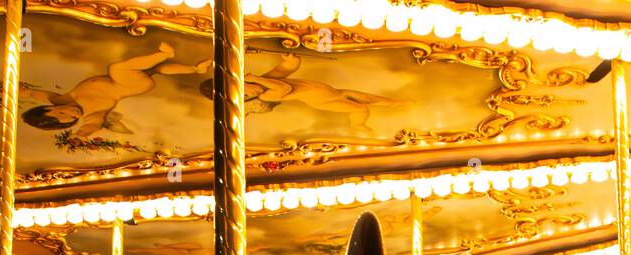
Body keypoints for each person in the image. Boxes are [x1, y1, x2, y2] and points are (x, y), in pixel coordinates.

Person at [21, 42, 209, 139]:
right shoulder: (93, 112)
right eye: (71, 120)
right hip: (128, 85)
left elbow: (32, 94)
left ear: (50, 108)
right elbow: (93, 124)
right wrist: (83, 134)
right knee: (117, 69)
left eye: (63, 113)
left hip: (131, 80)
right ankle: (163, 54)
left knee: (156, 70)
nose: (73, 114)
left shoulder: (58, 98)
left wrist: (10, 94)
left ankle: (196, 69)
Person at [199, 53, 408, 131]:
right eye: (244, 91)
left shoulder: (267, 81)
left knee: (372, 98)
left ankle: (393, 103)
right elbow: (284, 87)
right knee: (361, 108)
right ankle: (358, 124)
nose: (248, 88)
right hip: (324, 101)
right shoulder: (266, 93)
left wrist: (291, 62)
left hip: (333, 91)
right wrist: (255, 79)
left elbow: (284, 72)